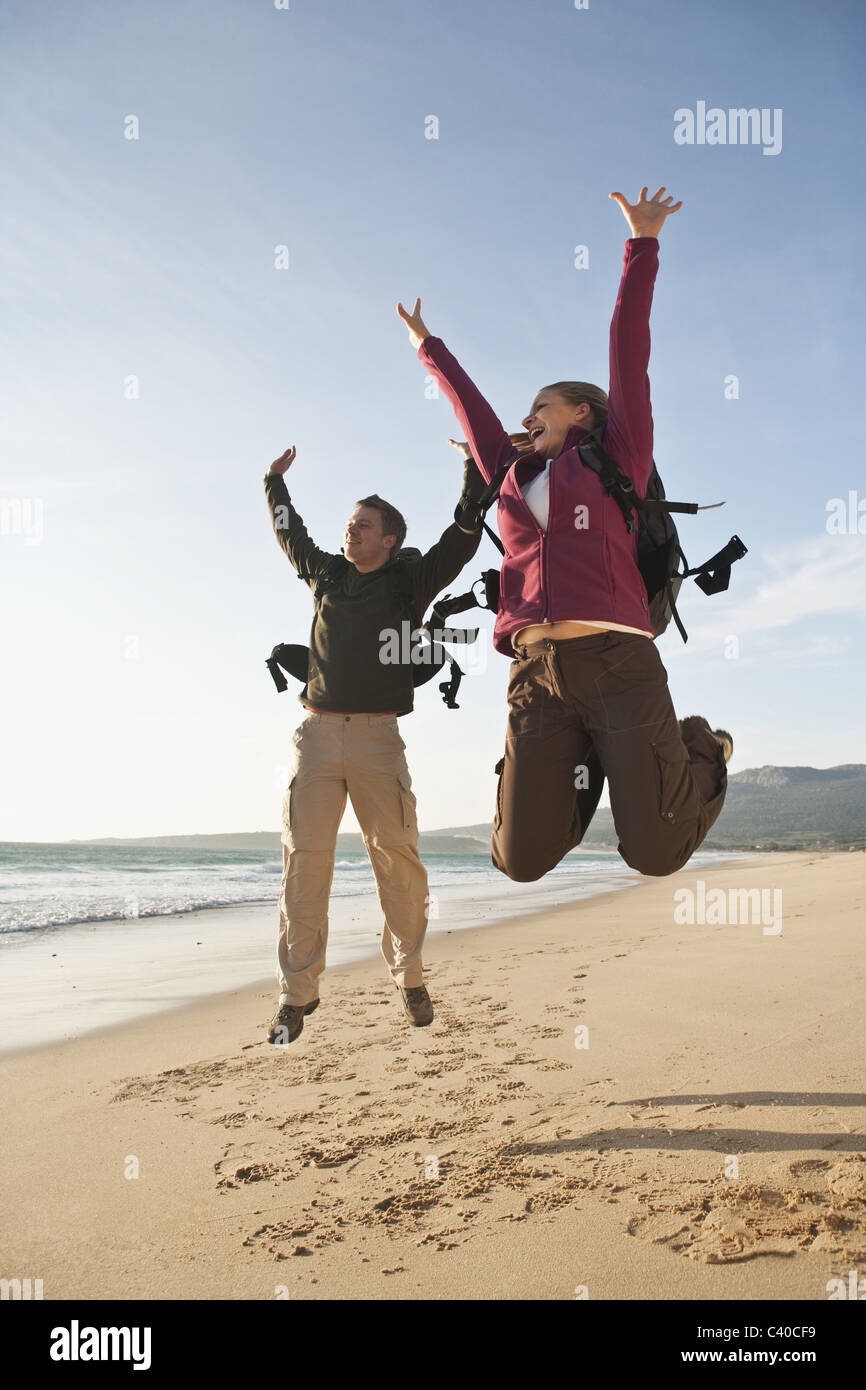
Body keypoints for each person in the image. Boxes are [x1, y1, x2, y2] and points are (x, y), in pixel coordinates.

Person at [397, 185, 732, 884]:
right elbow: (475, 413)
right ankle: (598, 772)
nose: (528, 416)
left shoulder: (617, 453)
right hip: (535, 678)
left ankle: (697, 746)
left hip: (617, 663)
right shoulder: (512, 476)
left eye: (542, 406)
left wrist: (641, 245)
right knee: (518, 859)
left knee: (655, 852)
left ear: (581, 411)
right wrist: (430, 349)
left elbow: (627, 353)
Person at [262, 445, 482, 1043]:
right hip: (315, 737)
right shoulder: (327, 574)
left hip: (378, 740)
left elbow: (461, 537)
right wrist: (274, 485)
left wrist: (474, 470)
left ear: (388, 539)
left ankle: (409, 975)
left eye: (362, 525)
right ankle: (296, 996)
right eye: (349, 524)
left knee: (399, 863)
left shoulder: (409, 582)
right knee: (305, 863)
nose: (350, 532)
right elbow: (291, 537)